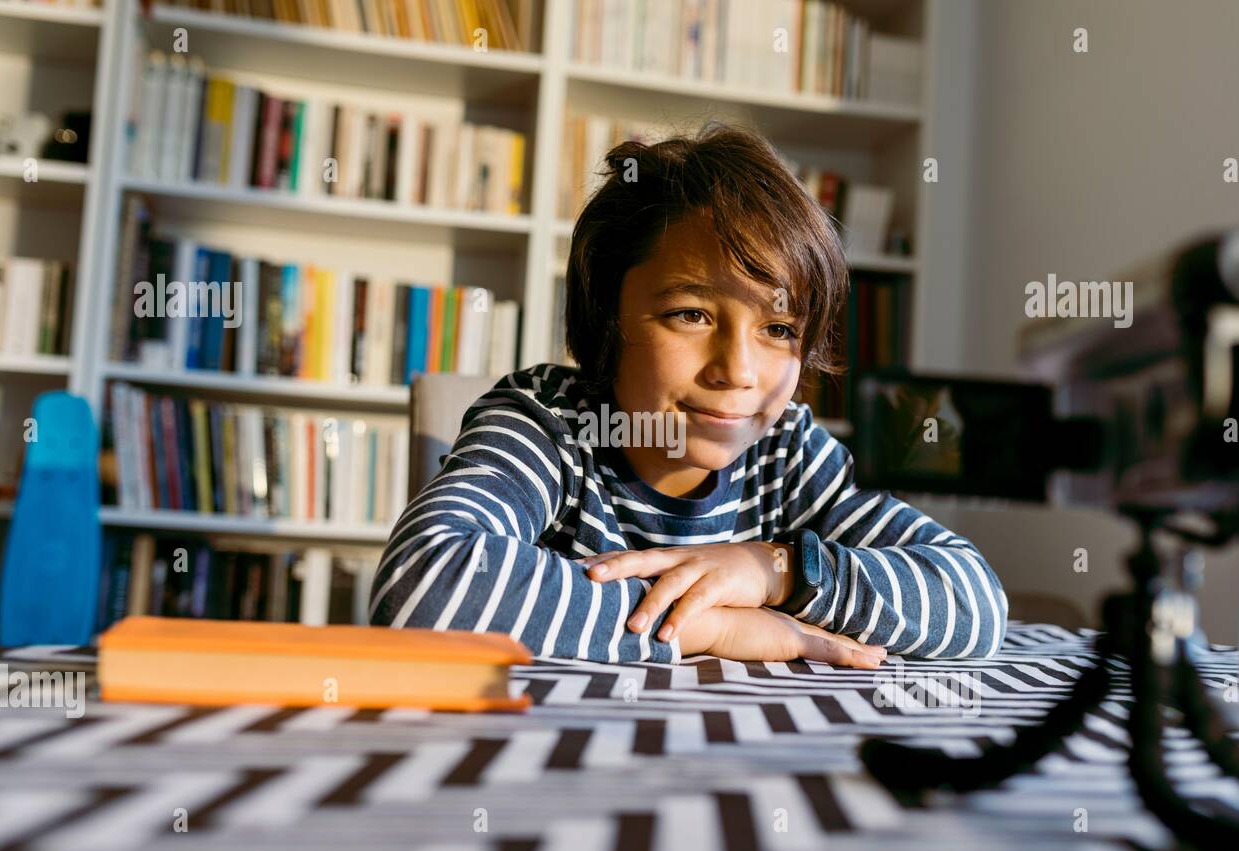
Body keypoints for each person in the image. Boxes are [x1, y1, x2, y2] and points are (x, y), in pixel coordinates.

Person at [370, 123, 1008, 667]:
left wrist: (776, 571)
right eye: (691, 315)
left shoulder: (787, 452)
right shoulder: (549, 425)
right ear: (606, 316)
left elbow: (975, 602)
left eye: (778, 329)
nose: (737, 371)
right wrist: (708, 627)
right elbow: (423, 586)